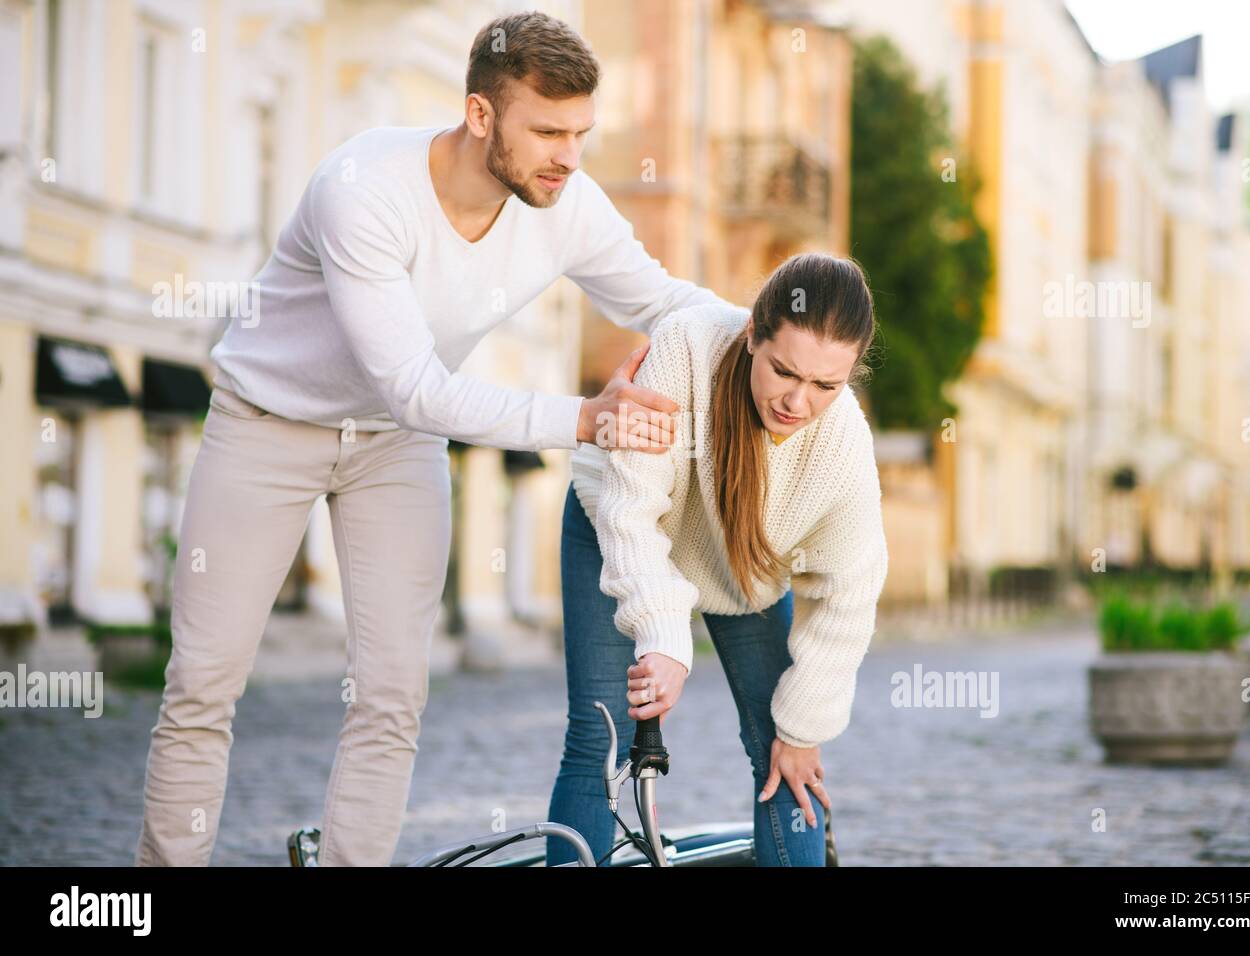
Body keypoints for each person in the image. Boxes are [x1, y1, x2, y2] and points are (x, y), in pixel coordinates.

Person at [135, 10, 729, 867]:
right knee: (200, 687)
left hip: (394, 450)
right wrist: (585, 417)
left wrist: (785, 338)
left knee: (391, 697)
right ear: (480, 115)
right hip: (267, 425)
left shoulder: (565, 204)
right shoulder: (363, 188)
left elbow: (666, 301)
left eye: (583, 133)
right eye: (549, 131)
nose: (569, 155)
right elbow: (414, 386)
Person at [546, 252, 889, 866]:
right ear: (753, 332)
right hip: (617, 526)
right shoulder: (684, 346)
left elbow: (848, 596)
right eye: (784, 370)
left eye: (825, 386)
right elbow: (631, 511)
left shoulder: (845, 447)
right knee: (602, 740)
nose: (797, 401)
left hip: (744, 573)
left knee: (786, 754)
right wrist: (663, 639)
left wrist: (802, 728)